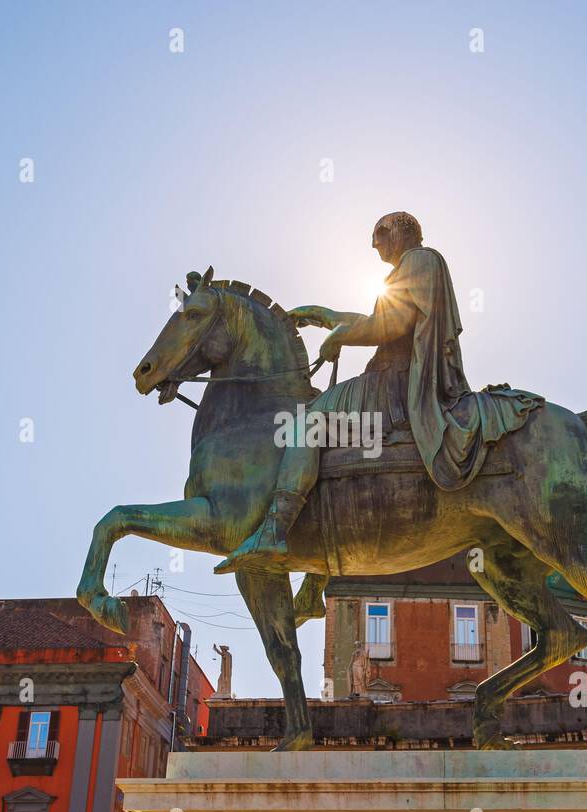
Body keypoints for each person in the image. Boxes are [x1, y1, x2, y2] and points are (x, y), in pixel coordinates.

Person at [215, 211, 541, 574]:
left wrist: (340, 336)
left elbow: (394, 324)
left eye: (381, 233)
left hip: (397, 383)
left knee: (308, 423)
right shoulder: (414, 265)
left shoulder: (419, 259)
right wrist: (325, 316)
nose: (375, 244)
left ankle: (274, 530)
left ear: (402, 231)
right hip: (392, 376)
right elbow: (381, 320)